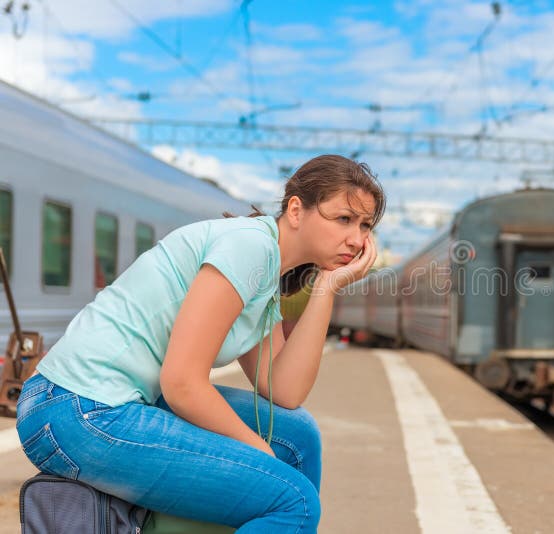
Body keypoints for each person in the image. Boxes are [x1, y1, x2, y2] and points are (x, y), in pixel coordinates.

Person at [15, 154, 385, 532]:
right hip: (79, 409)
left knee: (297, 435)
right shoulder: (248, 247)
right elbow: (182, 384)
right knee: (294, 501)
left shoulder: (267, 270)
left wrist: (327, 287)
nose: (356, 240)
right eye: (343, 219)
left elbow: (283, 391)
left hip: (107, 403)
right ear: (295, 210)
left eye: (365, 226)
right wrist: (258, 453)